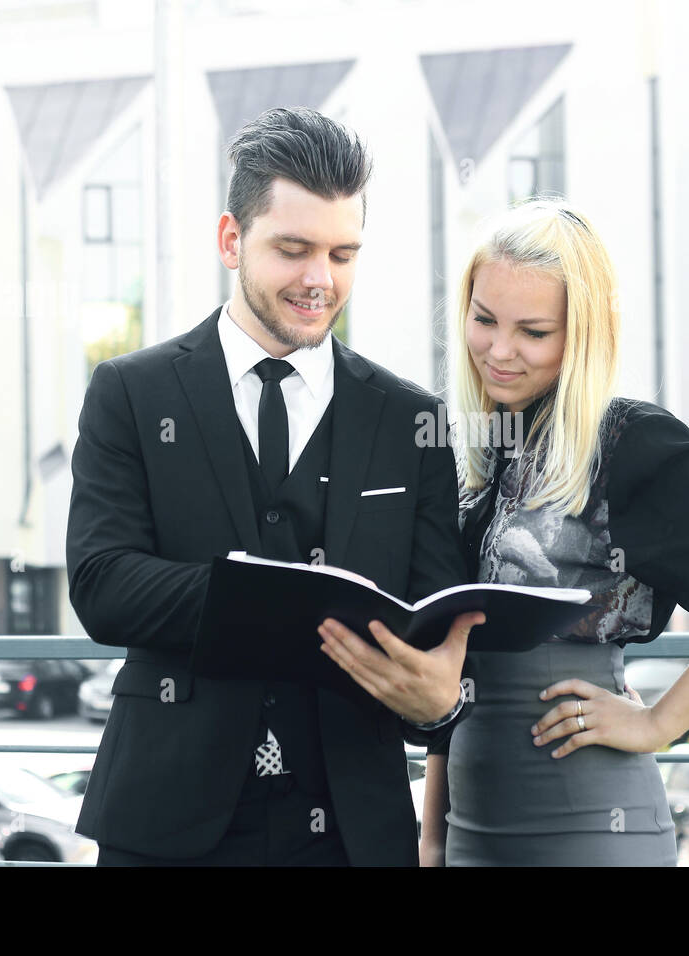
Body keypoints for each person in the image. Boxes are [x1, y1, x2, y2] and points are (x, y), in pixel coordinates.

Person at [66, 107, 480, 867]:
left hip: (354, 831)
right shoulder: (130, 391)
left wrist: (443, 702)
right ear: (232, 240)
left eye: (342, 253)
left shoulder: (413, 421)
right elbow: (100, 583)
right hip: (169, 826)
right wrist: (274, 603)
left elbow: (435, 622)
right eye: (293, 249)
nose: (320, 280)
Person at [419, 199, 689, 865]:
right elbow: (447, 660)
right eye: (484, 319)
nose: (499, 350)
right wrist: (433, 836)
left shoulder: (628, 443)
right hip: (470, 826)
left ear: (582, 337)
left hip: (589, 823)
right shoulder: (481, 455)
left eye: (534, 331)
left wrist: (658, 723)